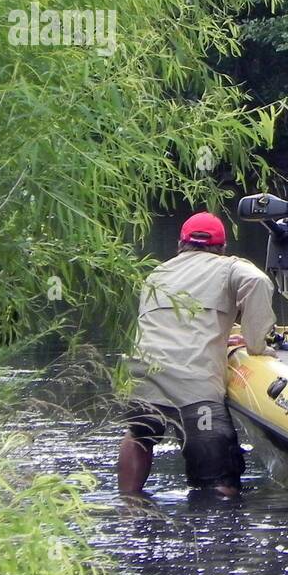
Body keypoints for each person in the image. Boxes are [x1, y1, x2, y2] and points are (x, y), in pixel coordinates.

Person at [117, 211, 274, 497]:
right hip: (195, 387)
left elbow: (179, 326)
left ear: (180, 245)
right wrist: (255, 345)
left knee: (140, 434)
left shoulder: (158, 273)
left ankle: (128, 506)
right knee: (220, 485)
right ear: (222, 248)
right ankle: (213, 531)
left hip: (144, 377)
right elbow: (257, 282)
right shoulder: (228, 268)